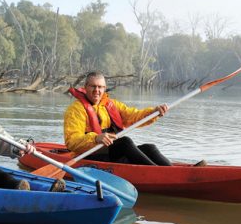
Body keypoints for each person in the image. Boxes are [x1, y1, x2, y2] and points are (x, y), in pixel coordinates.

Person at [64, 71, 206, 166]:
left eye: (100, 87)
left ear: (105, 88)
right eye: (93, 86)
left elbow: (134, 116)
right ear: (85, 87)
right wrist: (96, 138)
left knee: (150, 148)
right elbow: (72, 142)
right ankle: (159, 173)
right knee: (125, 142)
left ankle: (174, 172)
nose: (97, 91)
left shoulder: (111, 105)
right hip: (88, 155)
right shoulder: (76, 110)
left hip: (109, 153)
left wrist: (154, 112)